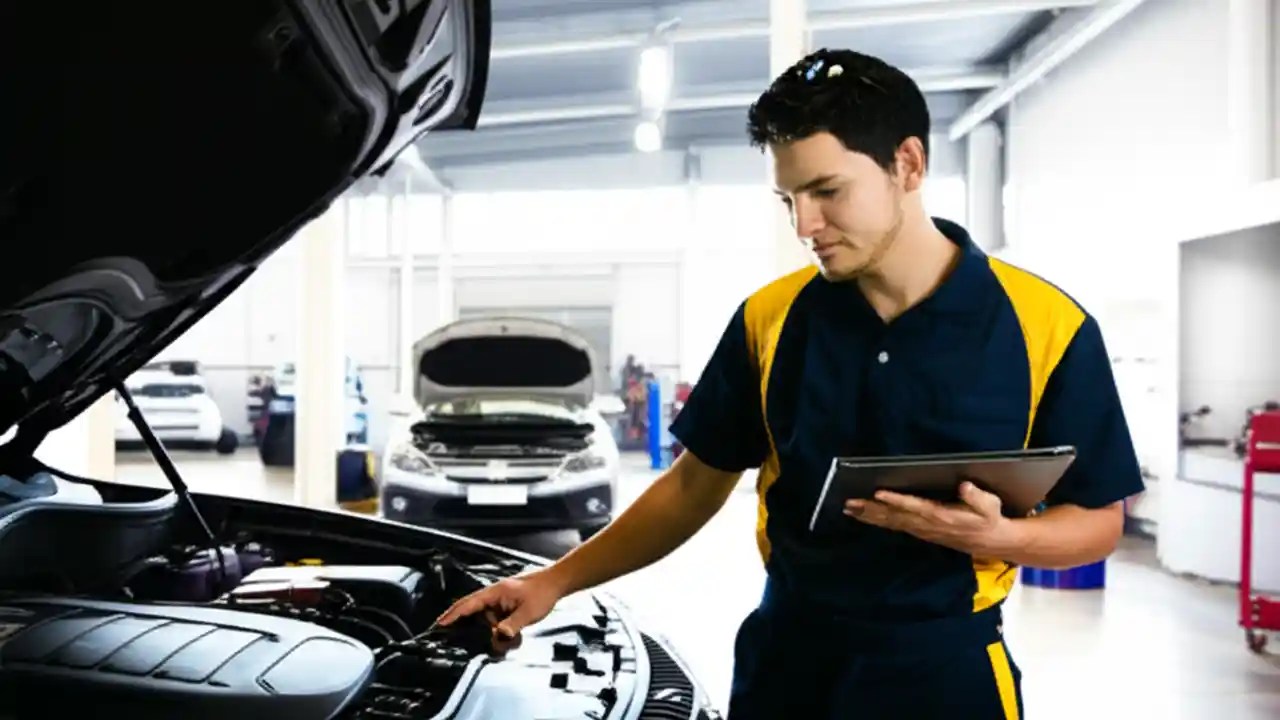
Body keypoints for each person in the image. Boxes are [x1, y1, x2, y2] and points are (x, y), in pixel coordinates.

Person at [435, 48, 1144, 719]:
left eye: (827, 191)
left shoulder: (1046, 326)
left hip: (946, 671)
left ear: (908, 164)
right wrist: (549, 582)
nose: (806, 224)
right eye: (788, 199)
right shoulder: (770, 320)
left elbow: (1098, 522)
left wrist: (998, 537)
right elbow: (691, 487)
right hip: (788, 664)